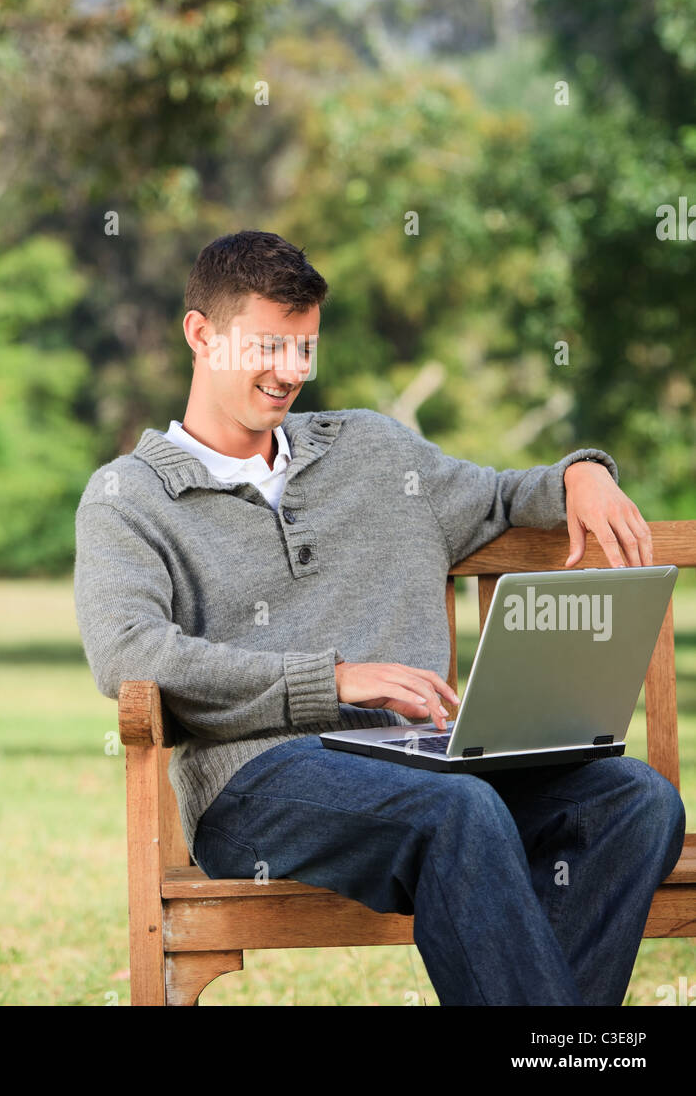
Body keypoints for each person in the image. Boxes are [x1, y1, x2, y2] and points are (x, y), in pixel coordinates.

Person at [73, 229, 686, 1006]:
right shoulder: (129, 498)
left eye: (305, 350)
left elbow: (499, 497)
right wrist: (330, 681)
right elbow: (129, 653)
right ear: (201, 334)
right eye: (270, 346)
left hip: (428, 763)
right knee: (457, 811)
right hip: (259, 782)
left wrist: (583, 475)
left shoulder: (372, 450)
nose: (291, 373)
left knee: (633, 802)